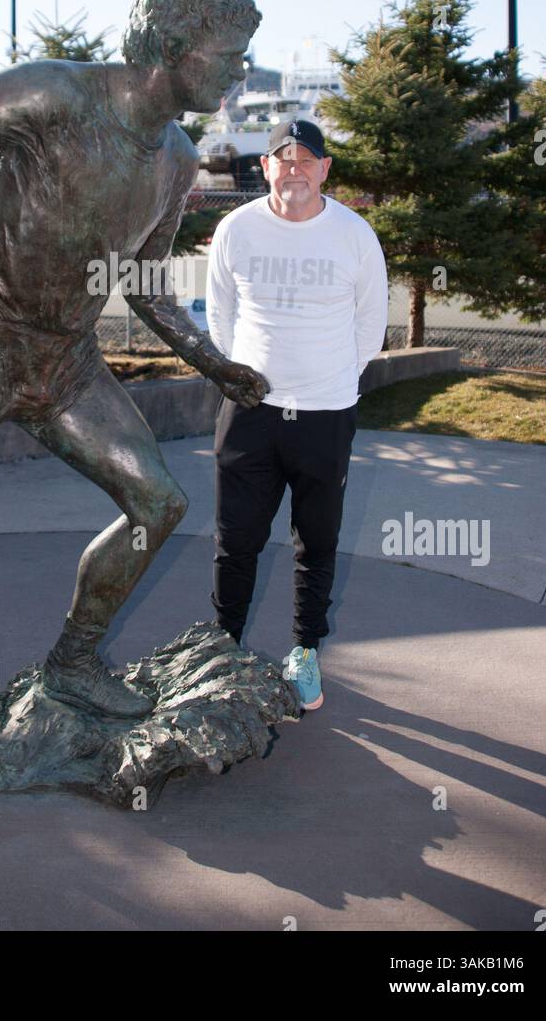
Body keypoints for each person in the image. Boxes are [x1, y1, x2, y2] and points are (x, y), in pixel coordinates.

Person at [0, 0, 271, 724]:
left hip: (66, 363)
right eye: (230, 55)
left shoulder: (177, 158)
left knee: (158, 503)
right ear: (174, 46)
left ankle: (73, 662)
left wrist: (214, 364)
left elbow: (144, 286)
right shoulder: (51, 93)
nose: (240, 72)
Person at [205, 118, 388, 710]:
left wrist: (326, 379)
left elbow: (370, 326)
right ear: (266, 168)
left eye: (306, 159)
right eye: (283, 159)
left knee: (317, 542)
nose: (294, 170)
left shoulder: (355, 234)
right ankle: (224, 649)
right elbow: (220, 317)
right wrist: (251, 376)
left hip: (325, 414)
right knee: (236, 540)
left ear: (324, 169)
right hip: (250, 412)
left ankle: (305, 651)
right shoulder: (236, 228)